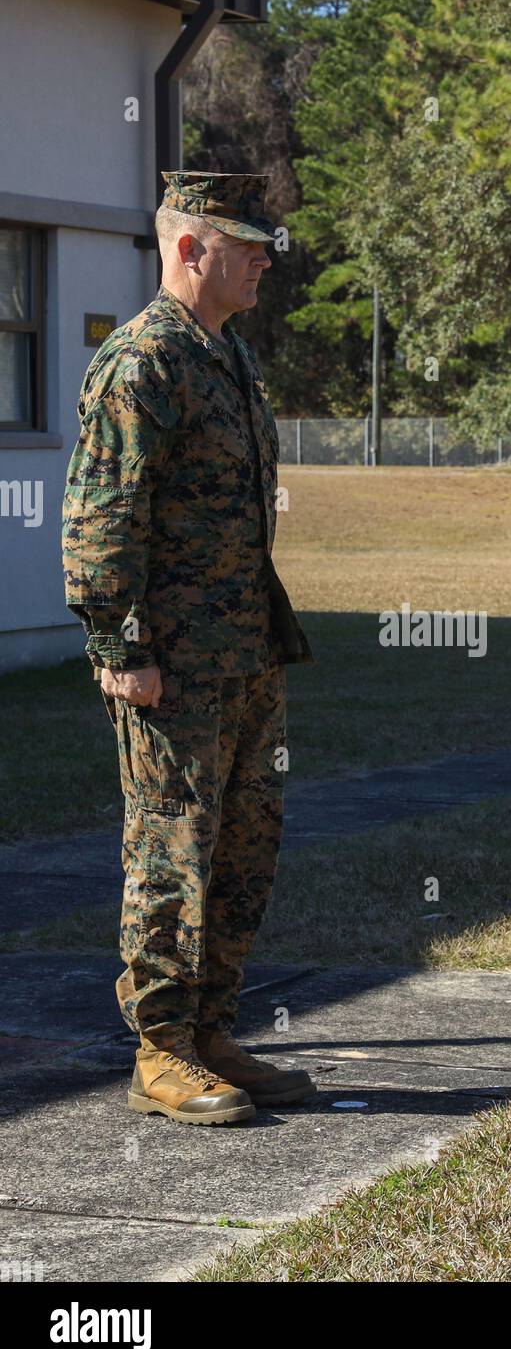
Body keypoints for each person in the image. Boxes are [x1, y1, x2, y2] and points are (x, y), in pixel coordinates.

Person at [62, 171, 315, 1125]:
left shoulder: (226, 355)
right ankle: (161, 1049)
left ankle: (212, 1027)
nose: (261, 259)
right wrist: (121, 646)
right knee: (172, 847)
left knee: (245, 847)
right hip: (169, 661)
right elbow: (98, 519)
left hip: (243, 652)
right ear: (188, 247)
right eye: (243, 243)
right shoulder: (143, 361)